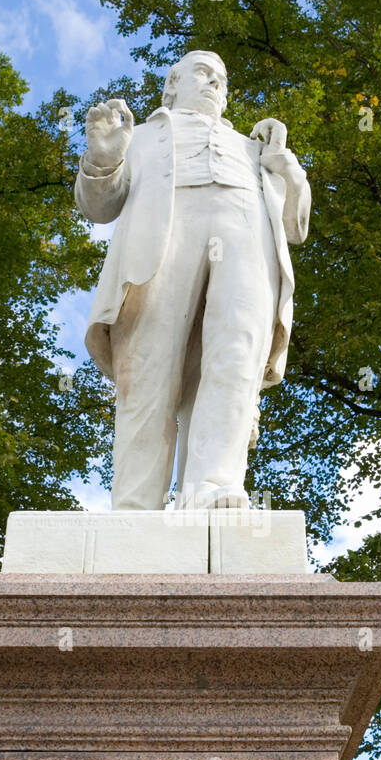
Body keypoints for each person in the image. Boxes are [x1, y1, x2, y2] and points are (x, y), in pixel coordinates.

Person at [75, 50, 311, 510]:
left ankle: (213, 485)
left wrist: (284, 164)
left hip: (245, 238)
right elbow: (98, 207)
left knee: (236, 354)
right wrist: (102, 159)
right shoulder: (139, 136)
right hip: (164, 237)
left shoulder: (254, 149)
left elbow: (295, 227)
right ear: (172, 85)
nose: (214, 85)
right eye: (203, 74)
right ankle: (136, 502)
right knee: (146, 365)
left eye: (221, 79)